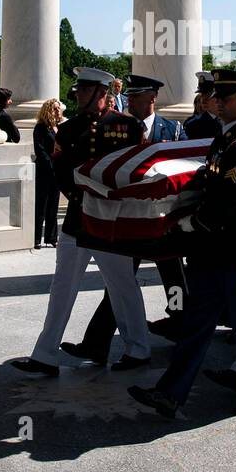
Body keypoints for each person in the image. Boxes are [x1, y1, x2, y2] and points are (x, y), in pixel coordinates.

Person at [129, 69, 236, 418]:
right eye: (215, 97)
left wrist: (192, 223)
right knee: (196, 323)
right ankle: (170, 393)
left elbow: (228, 201)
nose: (216, 103)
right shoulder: (223, 140)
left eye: (223, 98)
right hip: (212, 247)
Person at [11, 68, 151, 375]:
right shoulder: (69, 128)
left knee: (122, 285)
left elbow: (136, 169)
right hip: (78, 218)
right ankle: (45, 355)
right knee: (62, 286)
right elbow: (61, 170)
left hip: (111, 221)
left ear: (102, 93)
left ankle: (138, 348)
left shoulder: (127, 127)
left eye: (84, 91)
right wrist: (84, 195)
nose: (77, 95)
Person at [63, 74, 190, 362]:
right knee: (118, 285)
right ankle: (96, 342)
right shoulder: (120, 129)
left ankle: (180, 325)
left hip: (162, 221)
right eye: (129, 96)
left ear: (152, 98)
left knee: (174, 281)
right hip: (128, 221)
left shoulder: (172, 129)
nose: (129, 100)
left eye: (136, 96)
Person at [32, 98, 63, 249]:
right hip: (45, 171)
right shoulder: (40, 127)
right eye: (55, 108)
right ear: (48, 110)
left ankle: (51, 237)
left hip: (57, 171)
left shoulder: (57, 128)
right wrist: (50, 165)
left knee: (53, 205)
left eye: (59, 109)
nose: (58, 111)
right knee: (41, 205)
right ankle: (36, 238)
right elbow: (40, 150)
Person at [183, 71, 221, 139]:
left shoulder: (229, 120)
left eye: (208, 94)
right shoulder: (193, 125)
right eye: (202, 94)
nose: (203, 99)